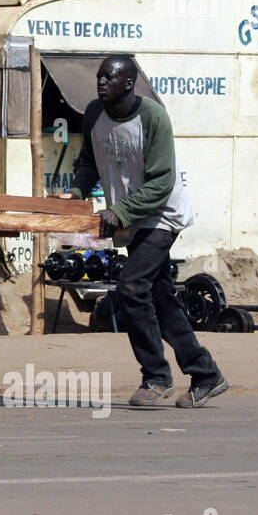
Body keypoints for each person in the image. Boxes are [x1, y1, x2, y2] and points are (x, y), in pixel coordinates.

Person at [64, 54, 229, 408]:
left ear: (129, 82)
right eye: (99, 76)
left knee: (131, 287)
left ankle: (156, 377)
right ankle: (206, 374)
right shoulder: (94, 113)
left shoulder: (153, 117)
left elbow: (162, 183)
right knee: (160, 298)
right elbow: (89, 162)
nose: (101, 82)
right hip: (131, 219)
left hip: (161, 216)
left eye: (110, 77)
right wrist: (77, 191)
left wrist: (119, 210)